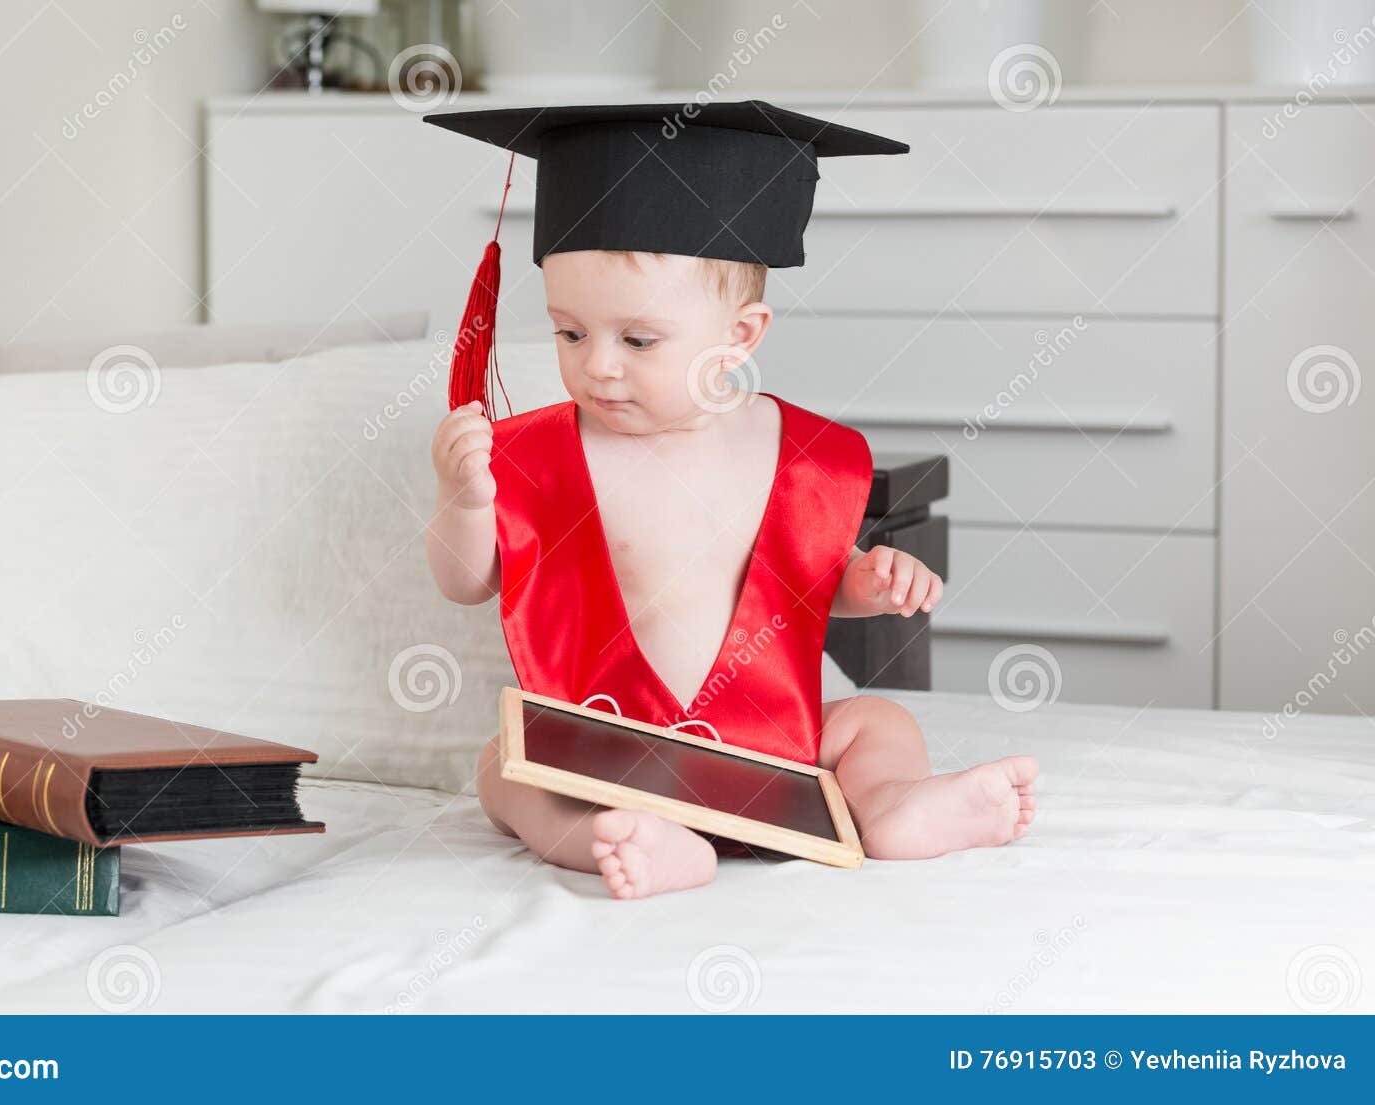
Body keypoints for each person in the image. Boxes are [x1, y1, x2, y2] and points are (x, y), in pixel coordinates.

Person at [424, 102, 1038, 899]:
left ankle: (892, 804)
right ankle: (638, 841)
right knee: (502, 768)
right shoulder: (536, 454)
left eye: (637, 340)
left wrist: (869, 580)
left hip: (769, 748)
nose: (598, 366)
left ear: (741, 336)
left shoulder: (798, 451)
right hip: (611, 745)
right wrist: (464, 500)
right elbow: (467, 581)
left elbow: (804, 577)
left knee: (878, 723)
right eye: (570, 334)